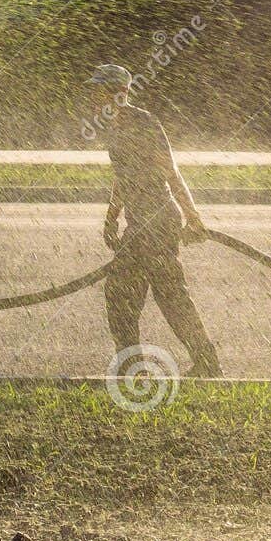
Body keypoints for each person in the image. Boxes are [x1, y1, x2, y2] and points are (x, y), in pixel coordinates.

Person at [86, 63, 222, 378]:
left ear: (118, 93)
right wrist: (111, 217)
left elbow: (170, 172)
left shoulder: (145, 123)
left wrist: (193, 216)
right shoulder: (115, 127)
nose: (94, 95)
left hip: (158, 221)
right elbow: (122, 176)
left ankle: (145, 367)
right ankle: (197, 362)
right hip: (140, 224)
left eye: (99, 89)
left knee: (147, 295)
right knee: (143, 295)